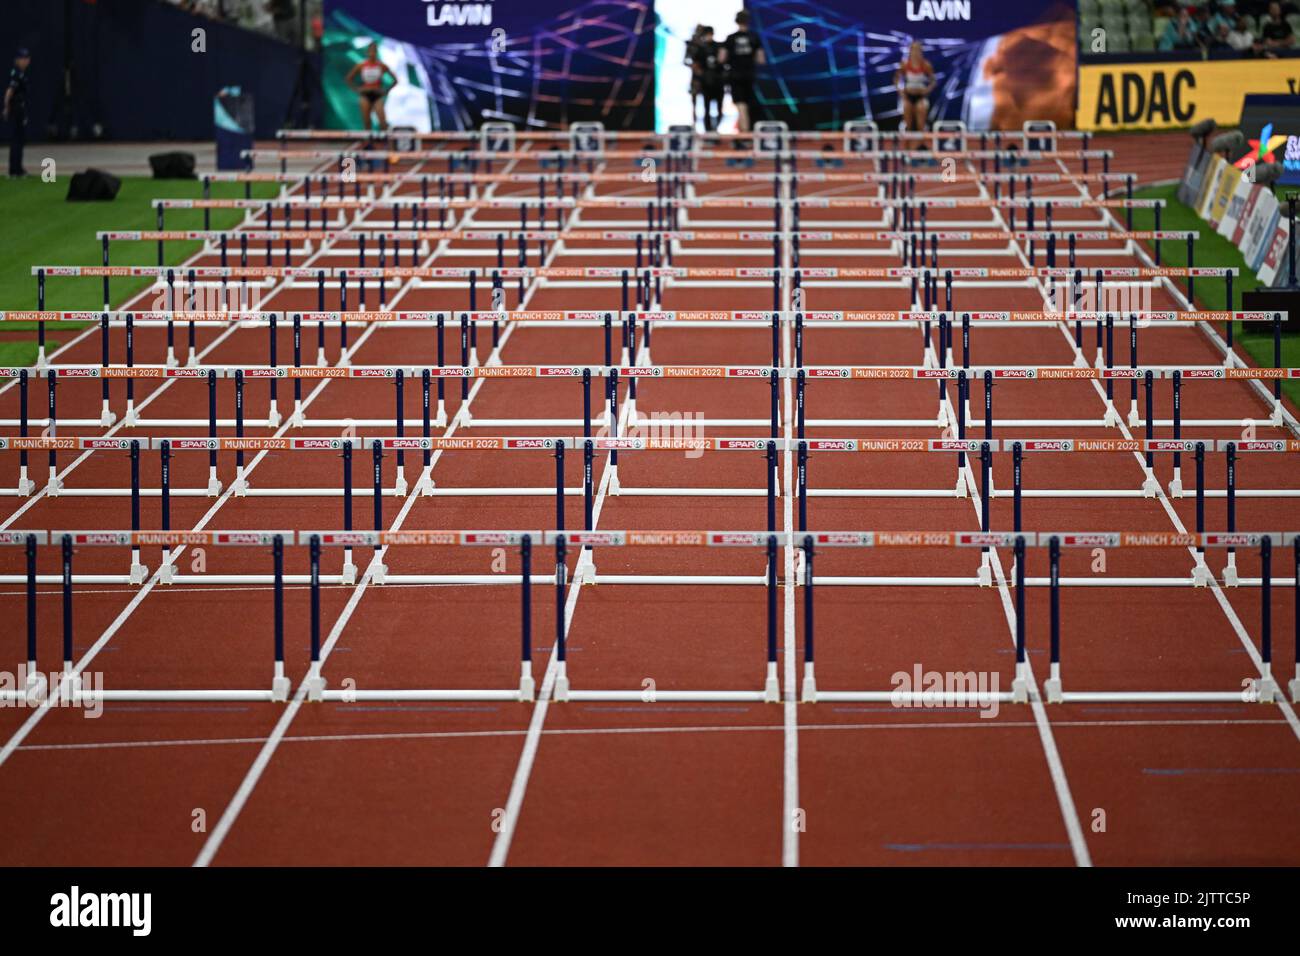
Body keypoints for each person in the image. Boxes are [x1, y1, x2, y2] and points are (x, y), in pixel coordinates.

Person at [720, 10, 764, 132]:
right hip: (749, 75)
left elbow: (722, 58)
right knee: (746, 105)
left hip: (735, 75)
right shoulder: (754, 37)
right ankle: (744, 132)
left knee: (741, 105)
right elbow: (761, 59)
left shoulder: (731, 38)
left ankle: (745, 133)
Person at [345, 42, 396, 132]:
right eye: (370, 52)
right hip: (365, 94)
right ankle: (369, 144)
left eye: (374, 51)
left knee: (382, 122)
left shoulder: (381, 66)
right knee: (367, 122)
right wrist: (357, 89)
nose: (372, 54)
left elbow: (395, 80)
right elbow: (348, 79)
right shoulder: (361, 65)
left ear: (376, 53)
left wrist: (386, 90)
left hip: (377, 94)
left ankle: (384, 144)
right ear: (367, 53)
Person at [894, 41, 935, 132]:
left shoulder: (926, 65)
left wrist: (927, 90)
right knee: (908, 125)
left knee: (921, 125)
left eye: (918, 50)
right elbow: (896, 78)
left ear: (921, 51)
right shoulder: (904, 64)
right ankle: (908, 145)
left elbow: (933, 81)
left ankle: (920, 144)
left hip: (920, 97)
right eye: (914, 49)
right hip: (908, 96)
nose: (916, 52)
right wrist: (900, 91)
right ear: (910, 51)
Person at [691, 27, 724, 132]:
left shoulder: (719, 46)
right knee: (706, 108)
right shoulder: (700, 48)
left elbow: (723, 61)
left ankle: (716, 128)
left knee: (719, 108)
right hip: (706, 82)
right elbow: (694, 64)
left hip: (718, 81)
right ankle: (708, 130)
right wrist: (702, 75)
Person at [4, 47, 30, 178]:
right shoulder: (16, 73)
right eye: (23, 58)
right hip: (15, 109)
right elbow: (9, 91)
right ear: (17, 60)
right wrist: (6, 107)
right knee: (16, 140)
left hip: (20, 108)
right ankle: (14, 170)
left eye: (27, 58)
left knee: (20, 139)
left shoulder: (22, 73)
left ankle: (18, 168)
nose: (25, 61)